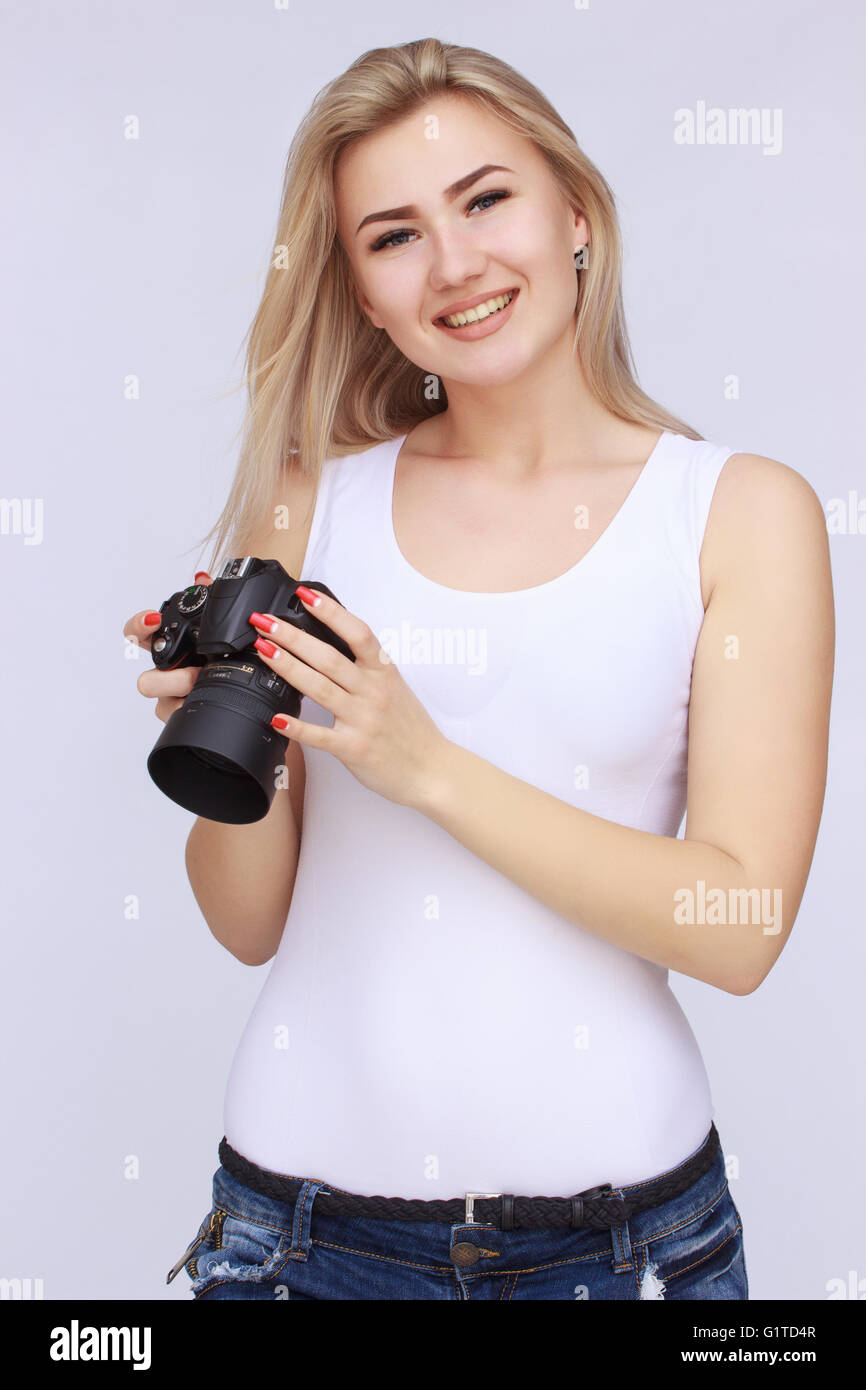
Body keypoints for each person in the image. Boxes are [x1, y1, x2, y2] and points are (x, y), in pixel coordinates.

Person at [125, 38, 834, 1301]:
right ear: (358, 290)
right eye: (393, 235)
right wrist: (229, 735)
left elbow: (738, 930)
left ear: (574, 210)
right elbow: (246, 924)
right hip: (296, 1240)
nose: (454, 265)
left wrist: (425, 765)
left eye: (485, 199)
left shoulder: (734, 512)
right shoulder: (310, 506)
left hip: (624, 1255)